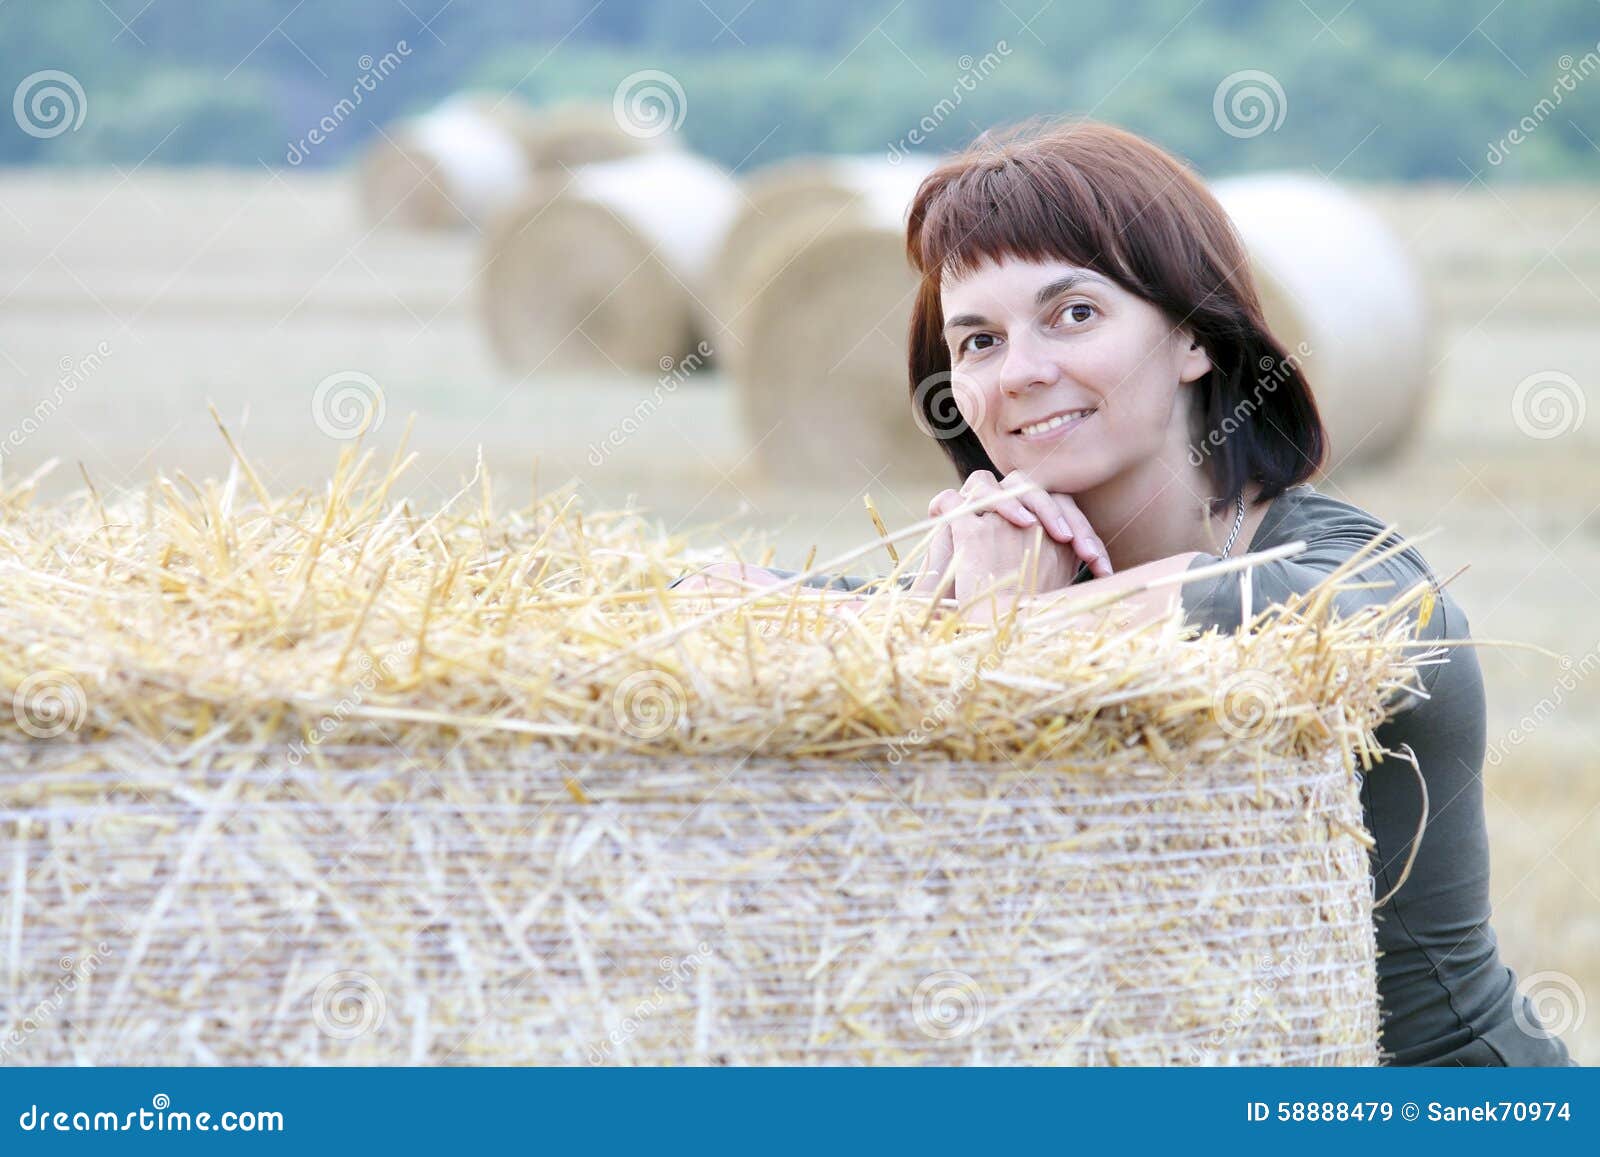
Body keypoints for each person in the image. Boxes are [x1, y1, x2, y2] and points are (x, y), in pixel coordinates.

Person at [672, 116, 1577, 1065]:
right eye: (977, 341)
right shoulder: (992, 578)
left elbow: (1322, 617)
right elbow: (708, 598)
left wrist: (969, 629)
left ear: (1192, 336)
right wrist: (922, 612)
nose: (1020, 371)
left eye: (1074, 314)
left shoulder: (1349, 568)